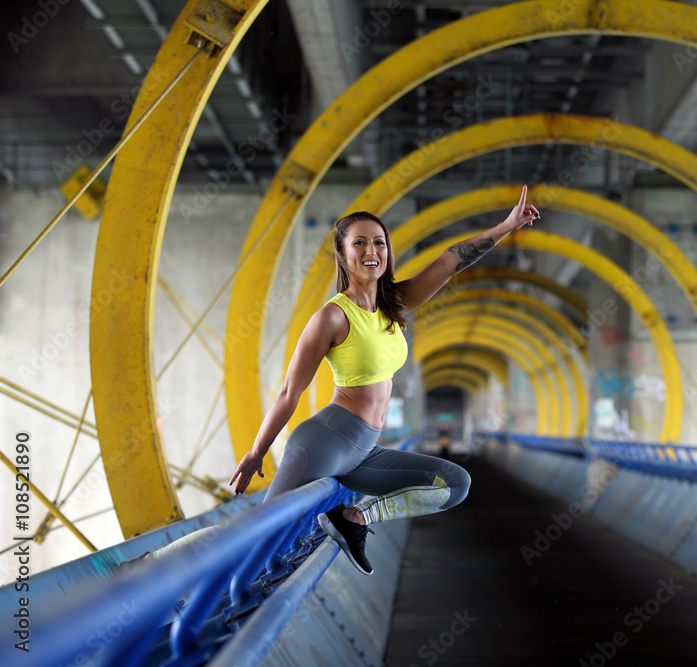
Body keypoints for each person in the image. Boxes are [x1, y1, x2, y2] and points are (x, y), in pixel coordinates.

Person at [121, 186, 540, 576]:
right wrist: (256, 452)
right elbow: (290, 391)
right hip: (327, 441)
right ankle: (152, 566)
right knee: (258, 530)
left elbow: (451, 261)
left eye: (378, 242)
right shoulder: (332, 316)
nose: (371, 250)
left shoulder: (394, 306)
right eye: (359, 242)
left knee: (455, 483)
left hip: (363, 452)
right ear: (342, 254)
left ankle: (355, 518)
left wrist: (507, 226)